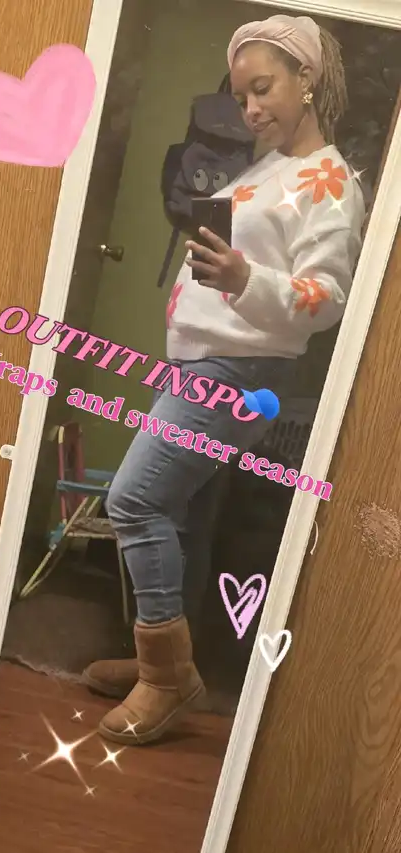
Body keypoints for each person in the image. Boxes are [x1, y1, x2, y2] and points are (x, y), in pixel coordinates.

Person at [82, 14, 365, 746]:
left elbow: (327, 298)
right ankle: (169, 660)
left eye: (263, 88)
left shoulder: (330, 181)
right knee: (180, 514)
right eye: (242, 97)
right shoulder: (268, 168)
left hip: (237, 370)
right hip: (203, 361)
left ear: (307, 79)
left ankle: (167, 677)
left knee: (135, 499)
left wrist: (244, 279)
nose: (251, 109)